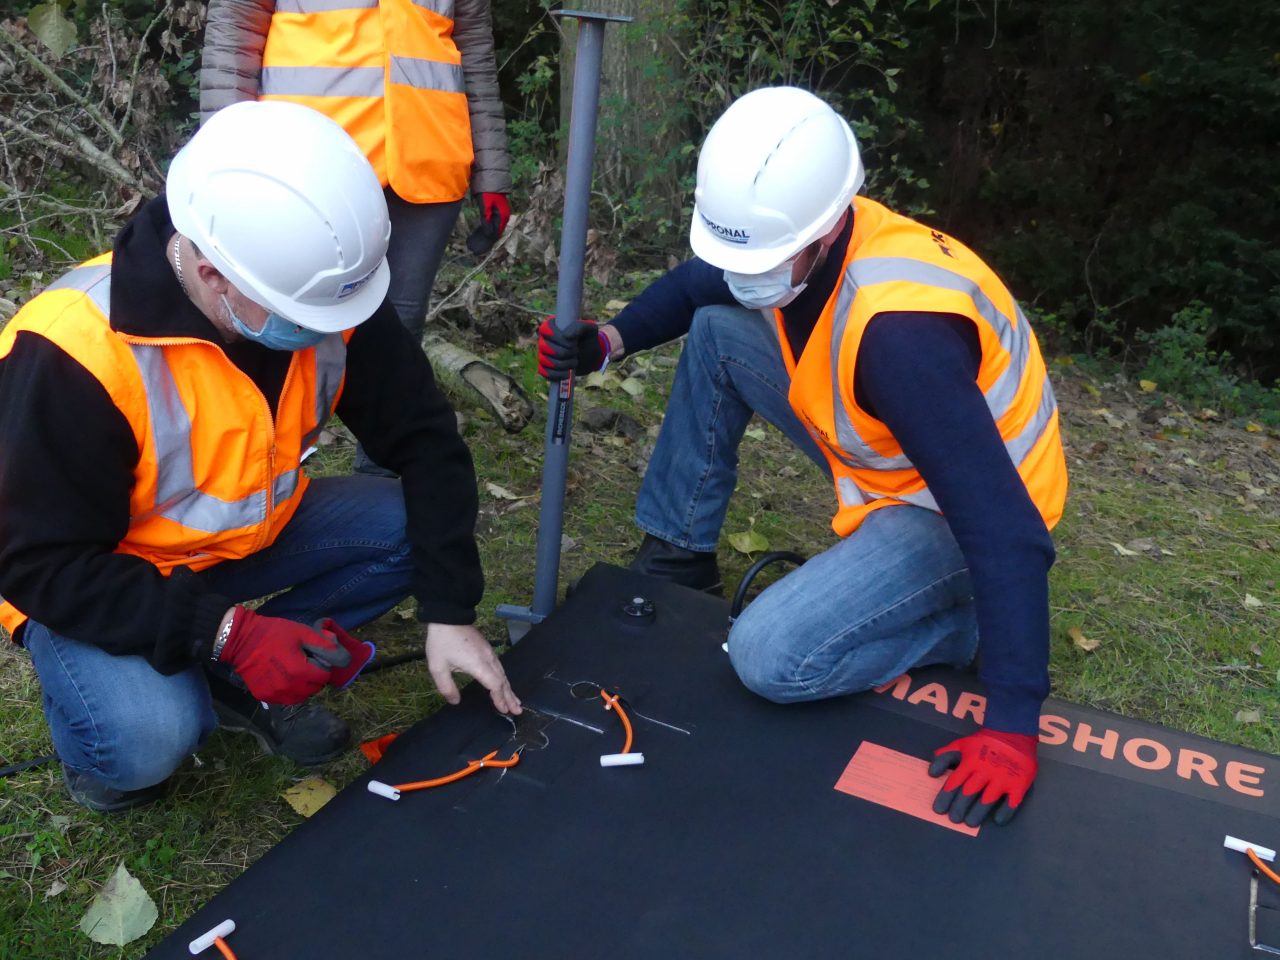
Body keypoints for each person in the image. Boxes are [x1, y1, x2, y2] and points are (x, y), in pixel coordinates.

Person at [538, 86, 1067, 828]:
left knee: (772, 655)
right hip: (889, 453)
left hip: (948, 509)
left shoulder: (901, 339)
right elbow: (704, 283)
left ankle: (965, 623)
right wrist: (609, 342)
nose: (746, 271)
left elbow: (1004, 531)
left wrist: (1013, 721)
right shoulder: (799, 240)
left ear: (824, 231)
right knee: (721, 330)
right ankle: (679, 554)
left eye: (764, 258)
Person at [0, 101, 520, 814]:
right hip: (97, 574)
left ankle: (238, 678)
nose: (325, 335)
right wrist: (230, 633)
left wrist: (450, 609)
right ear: (212, 272)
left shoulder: (319, 294)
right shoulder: (71, 354)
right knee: (149, 737)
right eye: (305, 321)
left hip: (236, 541)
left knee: (408, 532)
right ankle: (103, 758)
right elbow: (38, 563)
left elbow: (426, 439)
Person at [200, 0, 514, 475]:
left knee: (402, 331)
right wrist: (225, 155)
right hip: (307, 164)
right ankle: (261, 475)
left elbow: (474, 52)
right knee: (280, 323)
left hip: (429, 164)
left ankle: (380, 479)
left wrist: (494, 171)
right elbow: (232, 39)